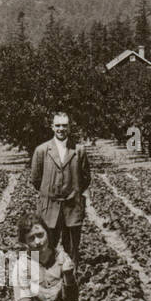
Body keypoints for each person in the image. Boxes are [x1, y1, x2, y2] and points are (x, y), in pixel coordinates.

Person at [31, 111, 91, 271]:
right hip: (49, 208)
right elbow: (36, 180)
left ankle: (71, 283)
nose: (61, 129)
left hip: (72, 207)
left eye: (64, 125)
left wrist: (73, 192)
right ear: (52, 127)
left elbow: (86, 178)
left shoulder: (79, 150)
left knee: (72, 248)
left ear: (69, 127)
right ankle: (47, 281)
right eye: (57, 125)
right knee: (45, 247)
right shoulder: (42, 150)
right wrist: (50, 193)